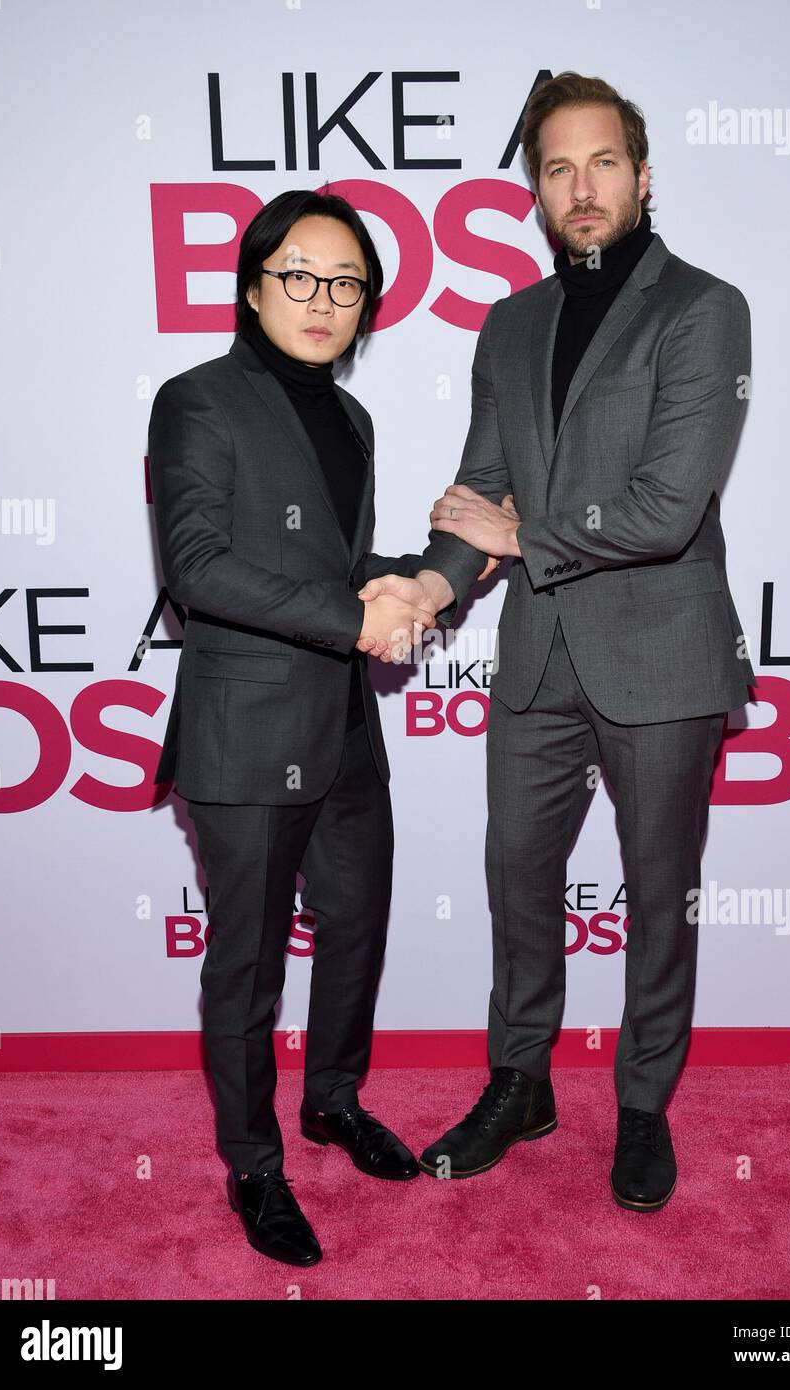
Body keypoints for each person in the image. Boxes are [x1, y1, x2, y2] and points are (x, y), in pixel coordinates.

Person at [361, 72, 757, 1212]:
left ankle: (643, 1106)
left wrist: (519, 533)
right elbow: (476, 496)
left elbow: (667, 508)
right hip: (537, 651)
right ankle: (520, 1082)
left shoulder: (704, 309)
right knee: (519, 883)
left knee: (658, 891)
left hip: (663, 654)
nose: (580, 188)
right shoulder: (511, 320)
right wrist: (422, 592)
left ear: (642, 174)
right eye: (556, 168)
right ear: (535, 189)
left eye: (602, 163)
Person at [147, 189, 494, 1265]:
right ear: (253, 288)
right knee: (248, 968)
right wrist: (358, 616)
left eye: (345, 285)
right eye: (299, 275)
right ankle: (254, 1163)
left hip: (342, 723)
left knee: (354, 925)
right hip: (245, 730)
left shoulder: (352, 419)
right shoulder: (196, 400)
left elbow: (336, 570)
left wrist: (442, 565)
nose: (322, 299)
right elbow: (198, 569)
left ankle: (333, 1102)